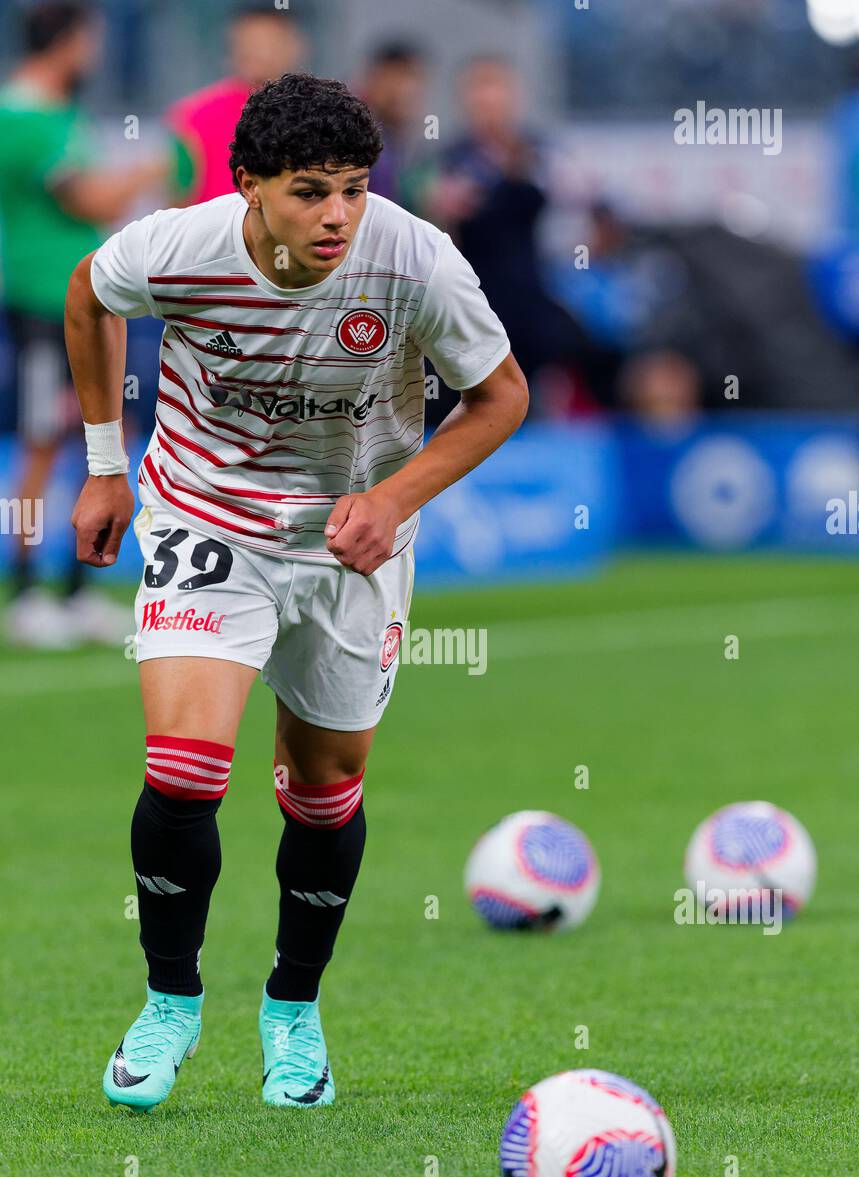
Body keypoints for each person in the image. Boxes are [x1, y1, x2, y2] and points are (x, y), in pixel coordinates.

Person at [65, 72, 528, 1112]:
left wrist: (393, 495)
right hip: (205, 517)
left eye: (354, 190)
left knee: (322, 792)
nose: (337, 217)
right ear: (248, 188)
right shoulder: (177, 248)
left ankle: (292, 1006)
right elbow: (89, 289)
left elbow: (500, 396)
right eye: (310, 191)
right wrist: (104, 463)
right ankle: (169, 1002)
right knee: (184, 767)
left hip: (349, 548)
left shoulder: (412, 259)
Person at [0, 0, 170, 647]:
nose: (96, 51)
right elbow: (92, 198)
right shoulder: (24, 116)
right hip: (45, 303)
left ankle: (73, 591)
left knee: (101, 434)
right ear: (67, 42)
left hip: (86, 302)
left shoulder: (57, 112)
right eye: (90, 39)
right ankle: (24, 594)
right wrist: (155, 165)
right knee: (43, 439)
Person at [428, 56, 620, 418]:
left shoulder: (543, 154)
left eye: (495, 89)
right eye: (478, 91)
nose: (487, 101)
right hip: (476, 300)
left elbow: (591, 209)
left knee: (591, 360)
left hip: (534, 300)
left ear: (514, 97)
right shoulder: (449, 160)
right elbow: (430, 223)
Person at [164, 1, 307, 207]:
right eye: (247, 42)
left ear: (294, 46)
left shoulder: (317, 113)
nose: (256, 53)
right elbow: (177, 205)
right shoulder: (195, 116)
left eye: (267, 44)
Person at [358, 41, 435, 216]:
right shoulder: (358, 141)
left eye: (415, 79)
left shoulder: (402, 141)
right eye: (398, 78)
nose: (407, 90)